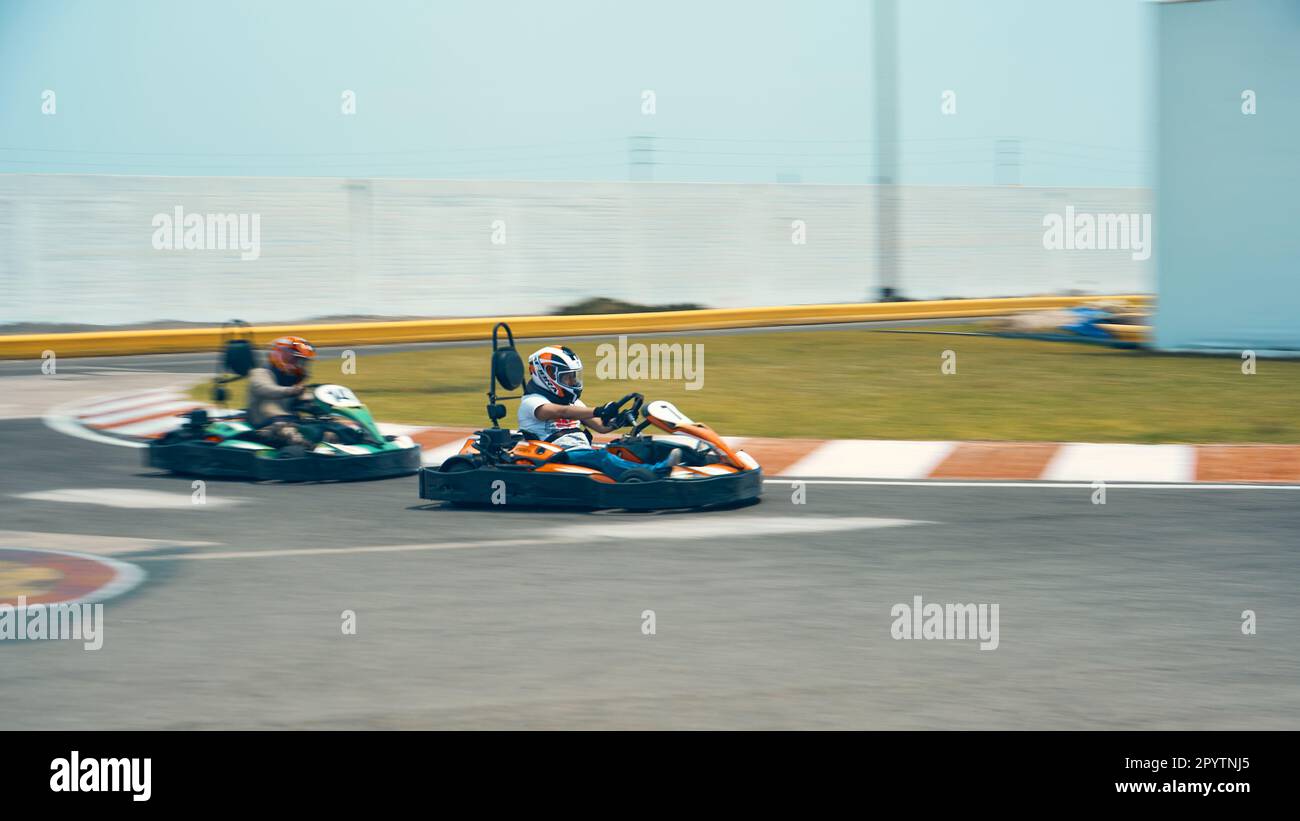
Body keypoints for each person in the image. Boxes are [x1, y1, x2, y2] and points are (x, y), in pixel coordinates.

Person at [518, 345, 680, 479]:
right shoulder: (532, 402)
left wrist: (619, 420)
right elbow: (560, 412)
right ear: (549, 375)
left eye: (574, 376)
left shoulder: (572, 402)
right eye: (568, 377)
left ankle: (688, 461)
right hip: (558, 456)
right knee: (601, 457)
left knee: (624, 448)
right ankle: (654, 472)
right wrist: (599, 410)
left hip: (582, 451)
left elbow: (602, 427)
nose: (573, 381)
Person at [247, 336, 317, 448]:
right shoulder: (260, 373)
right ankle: (309, 453)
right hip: (265, 426)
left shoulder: (292, 381)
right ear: (280, 356)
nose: (299, 365)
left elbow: (304, 400)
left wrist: (320, 402)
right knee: (290, 433)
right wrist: (292, 391)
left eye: (302, 362)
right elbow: (266, 389)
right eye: (296, 360)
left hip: (291, 422)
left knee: (324, 430)